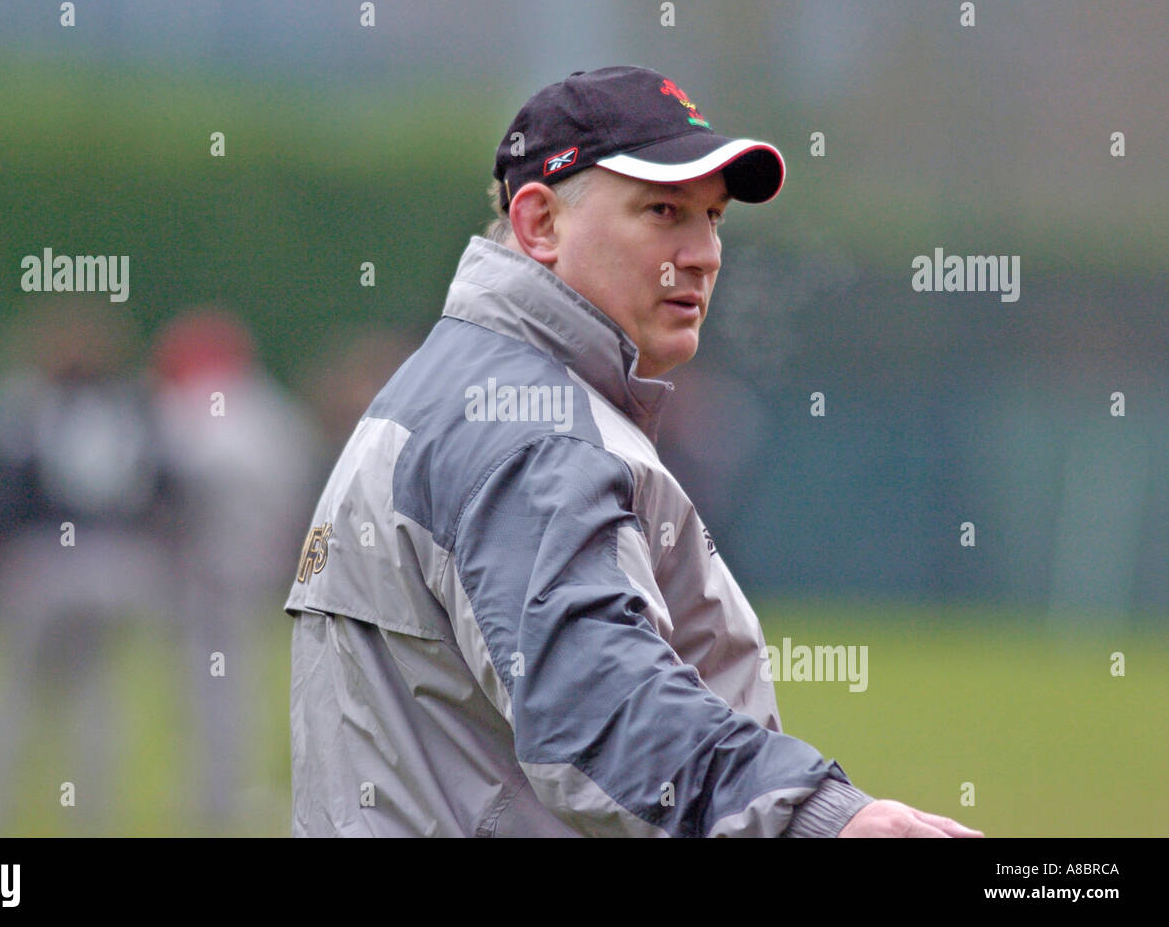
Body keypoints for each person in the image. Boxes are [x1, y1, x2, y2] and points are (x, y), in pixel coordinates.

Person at [285, 65, 983, 838]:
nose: (703, 253)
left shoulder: (461, 383)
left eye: (712, 218)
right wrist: (818, 820)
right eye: (663, 210)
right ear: (539, 223)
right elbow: (597, 708)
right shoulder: (530, 430)